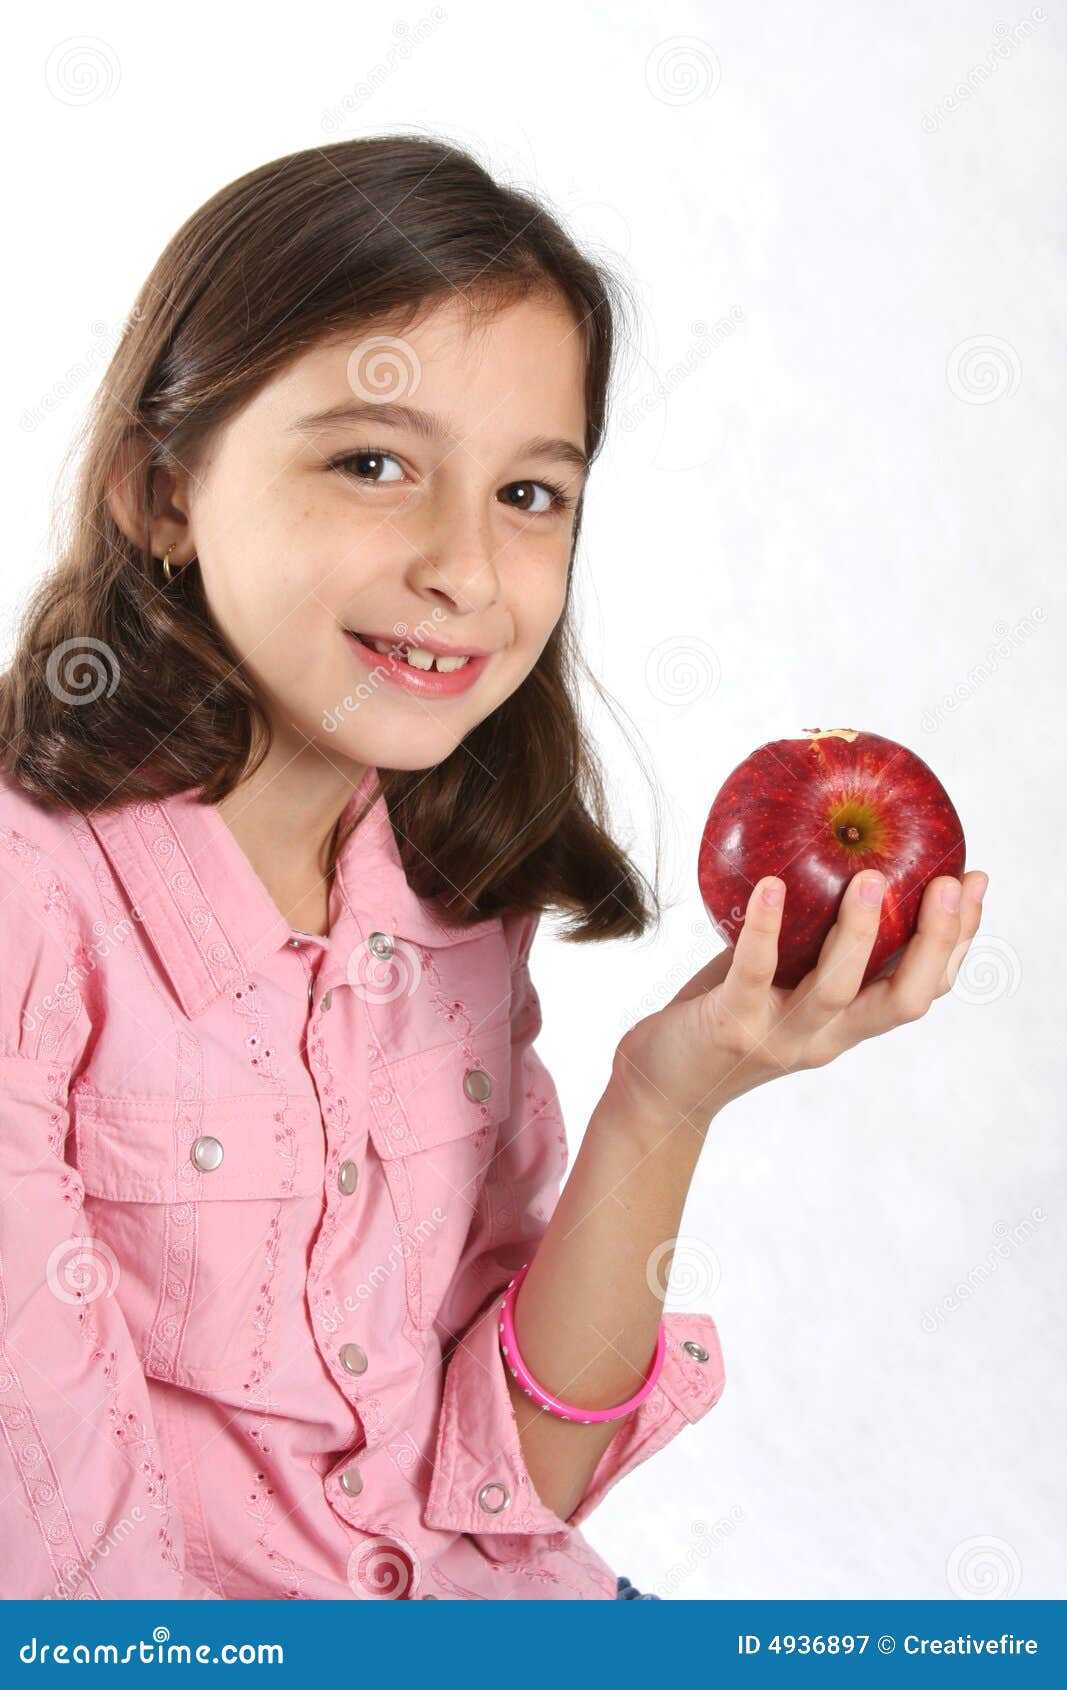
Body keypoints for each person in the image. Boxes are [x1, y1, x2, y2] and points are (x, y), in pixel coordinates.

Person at [0, 134, 987, 1601]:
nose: (467, 567)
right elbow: (72, 1591)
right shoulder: (37, 905)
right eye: (375, 463)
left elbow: (513, 1489)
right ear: (165, 493)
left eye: (532, 495)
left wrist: (672, 1088)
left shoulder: (450, 898)